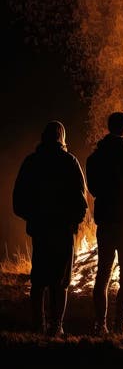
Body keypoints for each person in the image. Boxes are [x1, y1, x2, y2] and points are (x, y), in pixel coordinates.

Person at [13, 121, 87, 336]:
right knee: (61, 281)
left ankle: (38, 324)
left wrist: (33, 218)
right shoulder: (69, 161)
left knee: (39, 279)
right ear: (62, 137)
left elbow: (18, 198)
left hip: (41, 230)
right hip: (63, 230)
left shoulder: (32, 162)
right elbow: (81, 200)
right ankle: (57, 326)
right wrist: (74, 222)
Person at [86, 111, 123, 335]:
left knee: (103, 274)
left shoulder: (95, 157)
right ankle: (121, 323)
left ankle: (100, 324)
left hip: (106, 223)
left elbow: (93, 189)